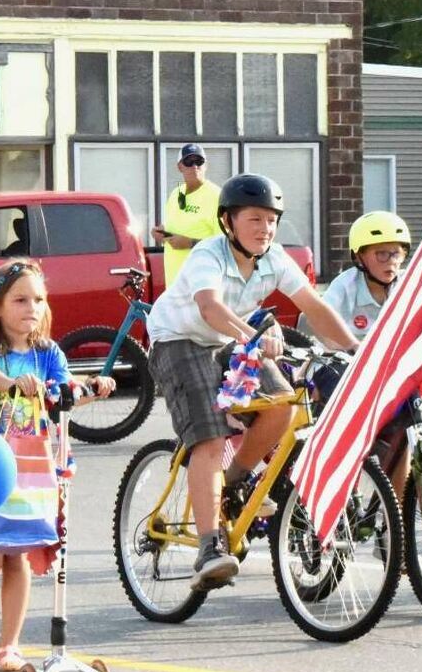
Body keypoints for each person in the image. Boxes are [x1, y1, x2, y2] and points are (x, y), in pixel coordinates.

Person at [145, 174, 359, 588]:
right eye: (255, 219)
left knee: (284, 404)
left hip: (231, 339)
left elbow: (313, 306)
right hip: (178, 340)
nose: (265, 229)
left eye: (271, 220)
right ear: (229, 221)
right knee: (209, 436)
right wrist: (252, 338)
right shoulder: (209, 254)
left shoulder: (275, 258)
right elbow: (209, 307)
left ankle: (234, 481)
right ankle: (210, 546)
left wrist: (354, 349)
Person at [0, 259, 110, 671]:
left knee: (18, 555)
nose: (32, 307)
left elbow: (65, 390)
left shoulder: (47, 352)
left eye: (39, 300)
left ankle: (8, 645)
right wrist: (12, 384)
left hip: (35, 467)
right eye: (21, 299)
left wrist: (91, 389)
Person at [318, 210, 418, 492]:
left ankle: (392, 521)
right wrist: (350, 346)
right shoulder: (345, 287)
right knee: (350, 436)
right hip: (344, 370)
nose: (392, 262)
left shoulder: (406, 284)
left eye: (397, 254)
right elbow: (324, 329)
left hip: (387, 372)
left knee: (405, 431)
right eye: (381, 254)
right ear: (360, 257)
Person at [158, 143, 222, 287]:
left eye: (199, 162)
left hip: (202, 285)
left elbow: (225, 243)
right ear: (179, 167)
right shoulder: (178, 193)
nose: (194, 166)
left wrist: (190, 243)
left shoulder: (217, 196)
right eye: (189, 162)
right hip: (175, 285)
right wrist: (162, 232)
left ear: (206, 165)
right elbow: (176, 227)